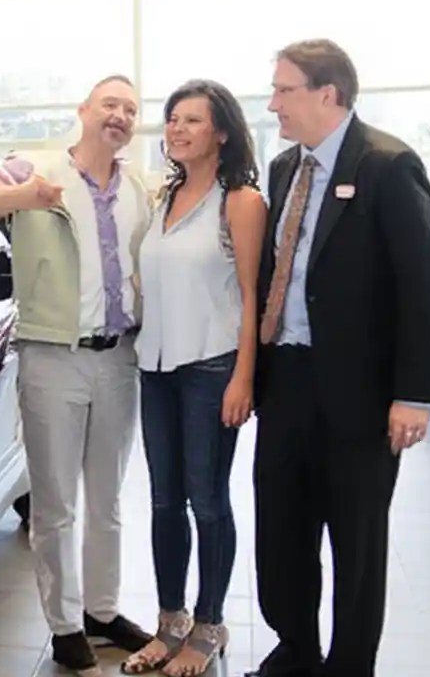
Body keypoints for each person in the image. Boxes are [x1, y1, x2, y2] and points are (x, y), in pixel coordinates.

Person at [247, 39, 430, 677]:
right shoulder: (283, 169)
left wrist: (414, 394)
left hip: (361, 395)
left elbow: (423, 285)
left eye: (284, 90)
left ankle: (350, 664)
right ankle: (295, 650)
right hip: (288, 379)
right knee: (281, 527)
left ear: (326, 93)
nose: (273, 103)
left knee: (356, 541)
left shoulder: (388, 165)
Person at [0, 74, 155, 673]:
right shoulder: (30, 168)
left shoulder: (139, 186)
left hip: (119, 358)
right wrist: (26, 196)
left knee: (108, 501)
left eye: (130, 109)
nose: (119, 115)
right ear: (84, 110)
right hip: (51, 357)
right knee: (56, 503)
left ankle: (103, 611)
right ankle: (65, 624)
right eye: (109, 103)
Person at [120, 80, 267, 676]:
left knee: (207, 501)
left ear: (222, 132)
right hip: (155, 367)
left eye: (193, 121)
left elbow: (255, 296)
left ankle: (210, 624)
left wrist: (244, 380)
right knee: (163, 502)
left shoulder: (242, 202)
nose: (177, 130)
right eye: (173, 119)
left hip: (212, 369)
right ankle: (170, 620)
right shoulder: (165, 197)